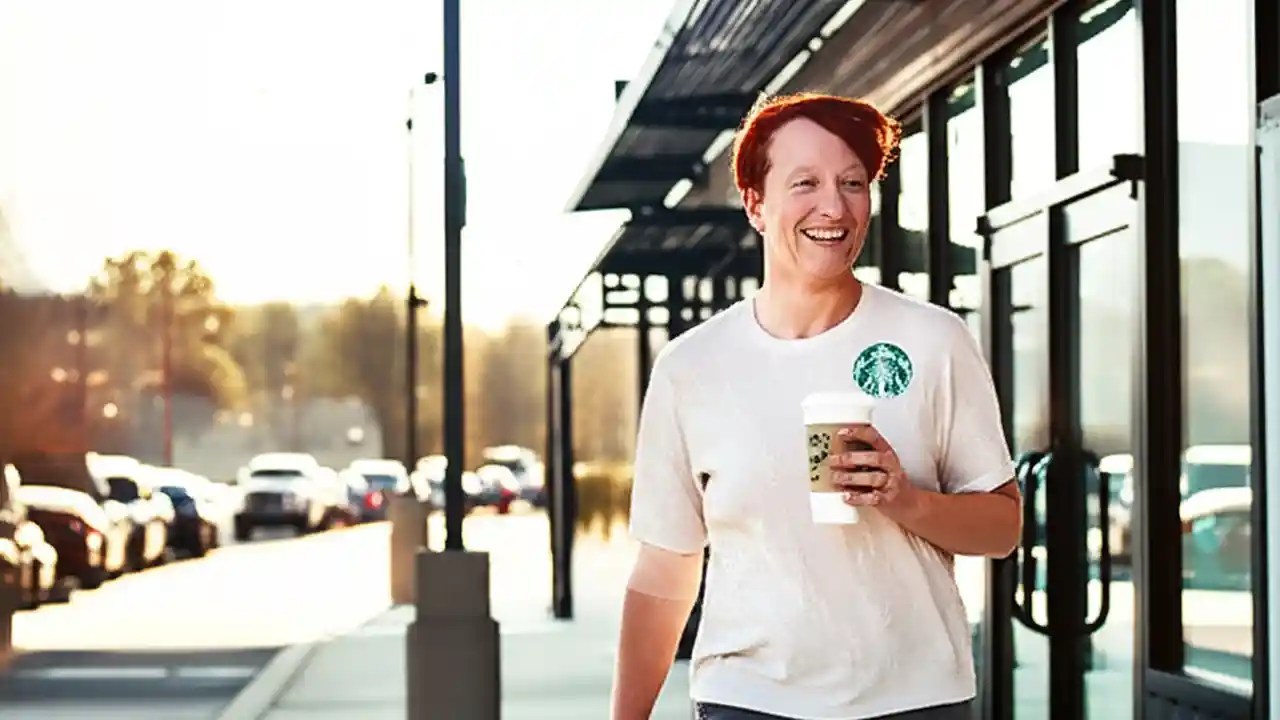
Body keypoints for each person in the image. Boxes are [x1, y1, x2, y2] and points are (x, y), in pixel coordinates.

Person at [610, 92, 1023, 720]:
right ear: (755, 202)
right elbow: (665, 570)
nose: (834, 206)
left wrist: (904, 499)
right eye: (805, 183)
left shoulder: (933, 341)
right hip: (749, 700)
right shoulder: (691, 368)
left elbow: (1002, 527)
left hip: (914, 700)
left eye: (853, 183)